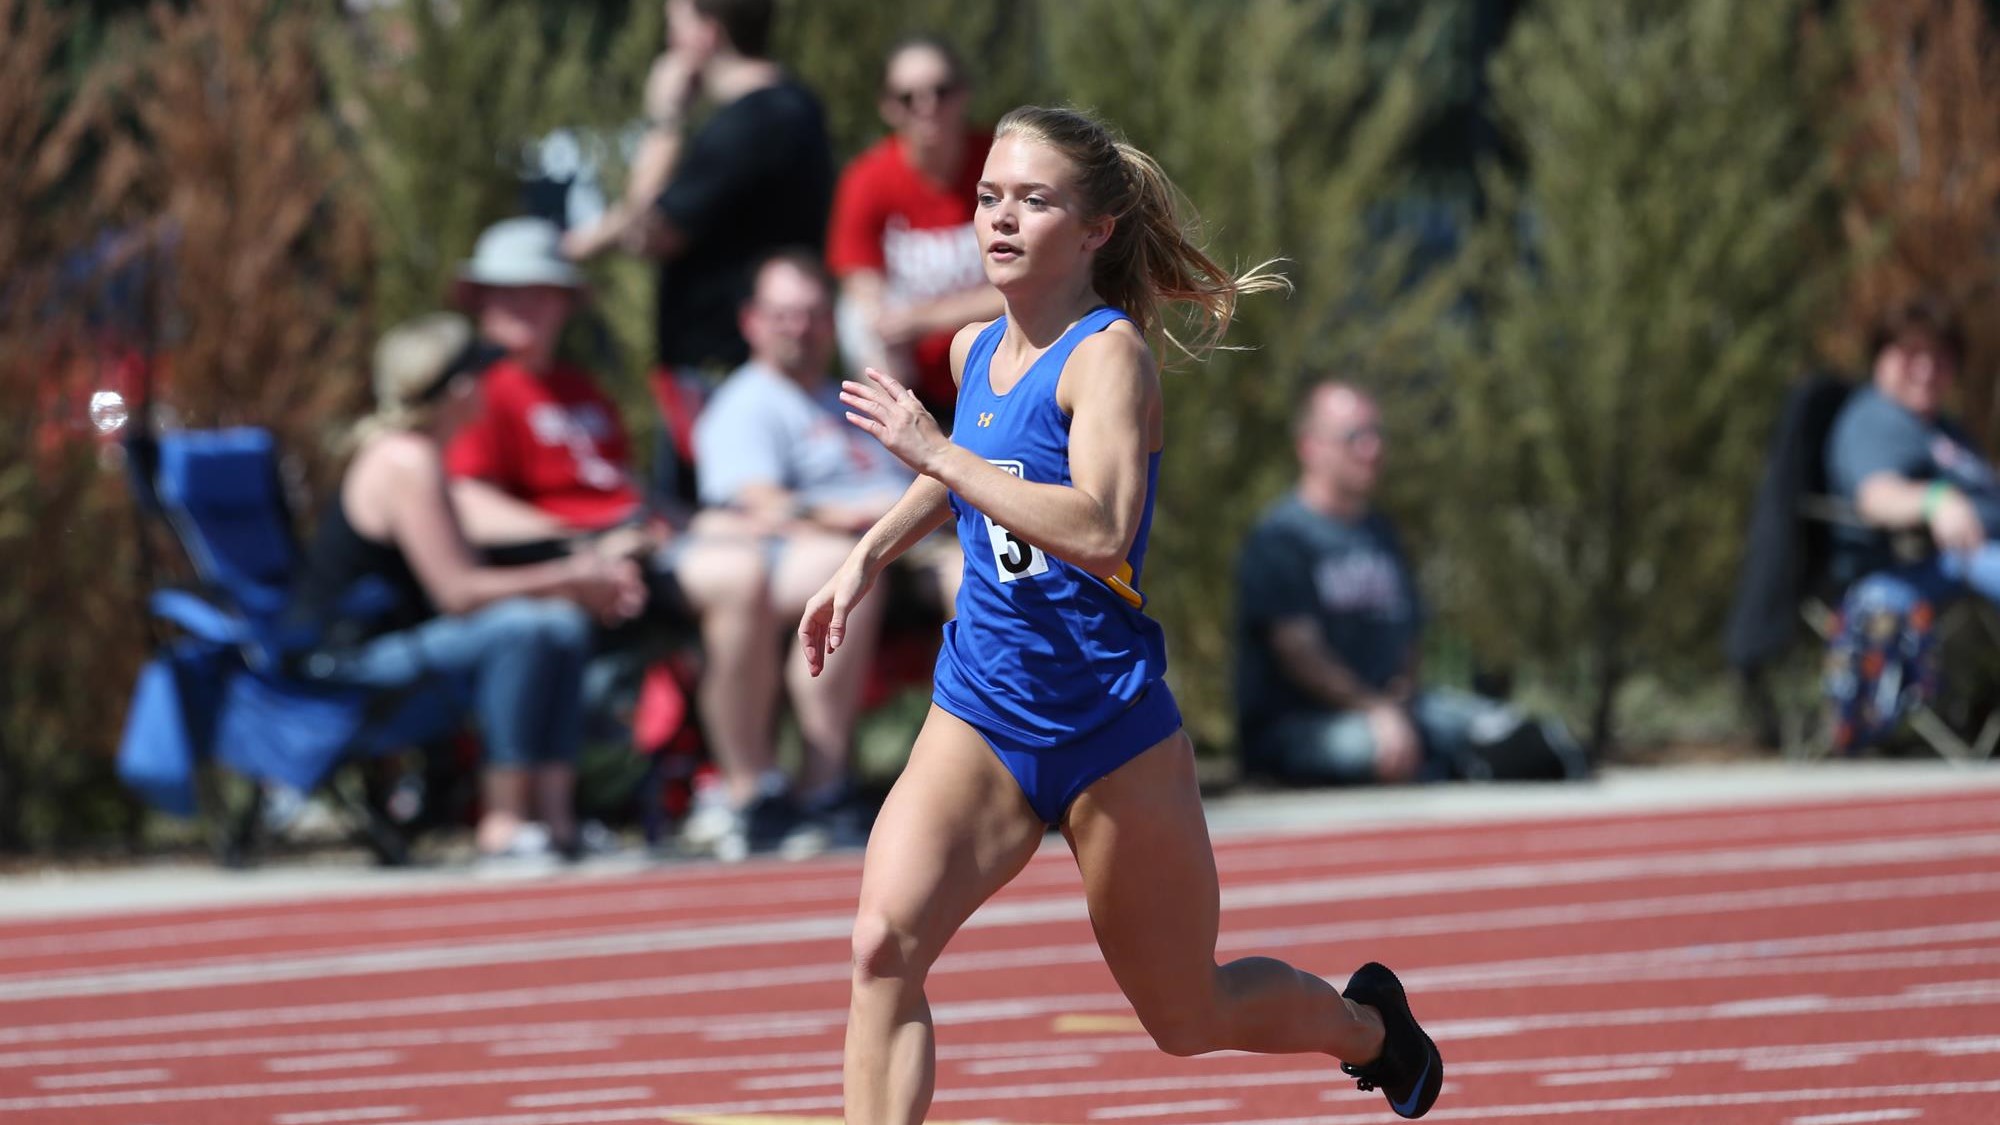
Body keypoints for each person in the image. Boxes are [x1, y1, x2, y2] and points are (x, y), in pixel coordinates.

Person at [798, 106, 1444, 1121]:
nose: (999, 221)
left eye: (1032, 201)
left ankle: (1369, 1028)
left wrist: (937, 454)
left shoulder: (1109, 359)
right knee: (881, 944)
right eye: (987, 199)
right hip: (980, 714)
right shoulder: (974, 352)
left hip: (1107, 733)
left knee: (1185, 1015)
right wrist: (867, 554)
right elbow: (978, 466)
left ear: (1096, 229)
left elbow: (1099, 528)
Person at [441, 216, 781, 859]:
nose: (525, 306)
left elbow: (620, 486)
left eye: (540, 291)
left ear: (564, 302)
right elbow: (467, 503)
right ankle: (742, 785)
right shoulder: (479, 389)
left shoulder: (578, 387)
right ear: (481, 300)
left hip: (640, 545)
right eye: (508, 291)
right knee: (741, 577)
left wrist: (693, 519)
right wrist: (587, 537)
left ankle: (766, 781)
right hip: (564, 567)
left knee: (771, 557)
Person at [290, 312, 646, 862]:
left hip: (400, 643)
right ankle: (503, 824)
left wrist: (583, 562)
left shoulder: (423, 455)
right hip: (348, 658)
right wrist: (571, 577)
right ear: (458, 389)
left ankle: (556, 819)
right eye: (481, 375)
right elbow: (457, 593)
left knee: (560, 623)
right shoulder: (405, 459)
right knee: (527, 627)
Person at [693, 250, 961, 847]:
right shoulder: (747, 401)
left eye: (813, 314)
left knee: (986, 573)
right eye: (784, 314)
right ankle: (822, 783)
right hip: (817, 549)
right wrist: (849, 521)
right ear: (752, 322)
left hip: (912, 541)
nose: (800, 328)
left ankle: (1009, 760)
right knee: (843, 571)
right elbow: (752, 503)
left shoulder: (844, 393)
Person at [1235, 382, 1582, 786]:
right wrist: (1375, 710)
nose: (1372, 449)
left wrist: (1399, 700)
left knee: (1510, 730)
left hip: (1399, 712)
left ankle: (1456, 762)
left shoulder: (1381, 533)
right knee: (1369, 748)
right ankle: (1447, 766)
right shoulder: (1282, 538)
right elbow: (1299, 652)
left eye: (1375, 434)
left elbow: (1408, 637)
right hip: (1308, 724)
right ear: (1311, 447)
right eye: (1354, 437)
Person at [562, 0, 833, 380]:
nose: (669, 41)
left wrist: (664, 120)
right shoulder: (797, 106)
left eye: (675, 25)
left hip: (718, 367)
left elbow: (649, 229)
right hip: (761, 363)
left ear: (707, 32)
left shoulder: (746, 124)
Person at [826, 34, 1001, 422]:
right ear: (888, 107)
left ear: (964, 93)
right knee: (855, 318)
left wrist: (925, 317)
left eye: (940, 91)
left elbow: (1041, 281)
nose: (927, 107)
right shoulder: (868, 179)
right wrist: (887, 324)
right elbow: (860, 283)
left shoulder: (1002, 165)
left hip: (1002, 366)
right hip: (916, 379)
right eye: (909, 98)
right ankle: (888, 438)